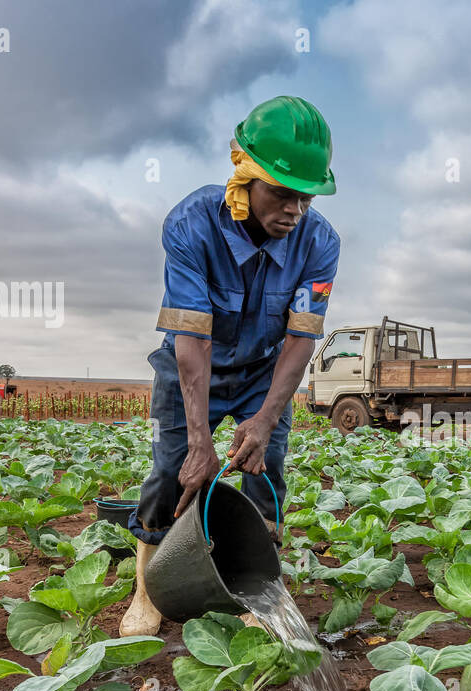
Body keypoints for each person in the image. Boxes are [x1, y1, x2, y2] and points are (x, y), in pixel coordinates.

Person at [121, 95, 340, 637]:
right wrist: (200, 442)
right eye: (283, 194)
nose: (294, 210)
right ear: (243, 179)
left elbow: (299, 340)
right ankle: (148, 586)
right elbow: (191, 340)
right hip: (189, 369)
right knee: (171, 470)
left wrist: (264, 421)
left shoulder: (321, 243)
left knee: (267, 473)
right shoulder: (193, 224)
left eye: (306, 198)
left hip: (265, 373)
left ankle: (259, 585)